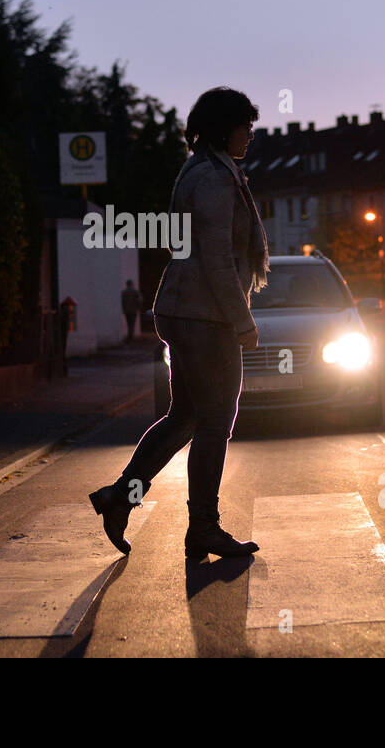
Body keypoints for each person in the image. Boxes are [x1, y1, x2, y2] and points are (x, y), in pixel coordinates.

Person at [88, 87, 268, 559]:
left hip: (184, 310)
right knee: (213, 423)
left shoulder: (205, 168)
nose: (249, 133)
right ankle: (203, 528)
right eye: (243, 125)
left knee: (185, 416)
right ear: (221, 127)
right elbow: (217, 259)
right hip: (203, 316)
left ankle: (118, 499)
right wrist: (242, 320)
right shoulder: (212, 178)